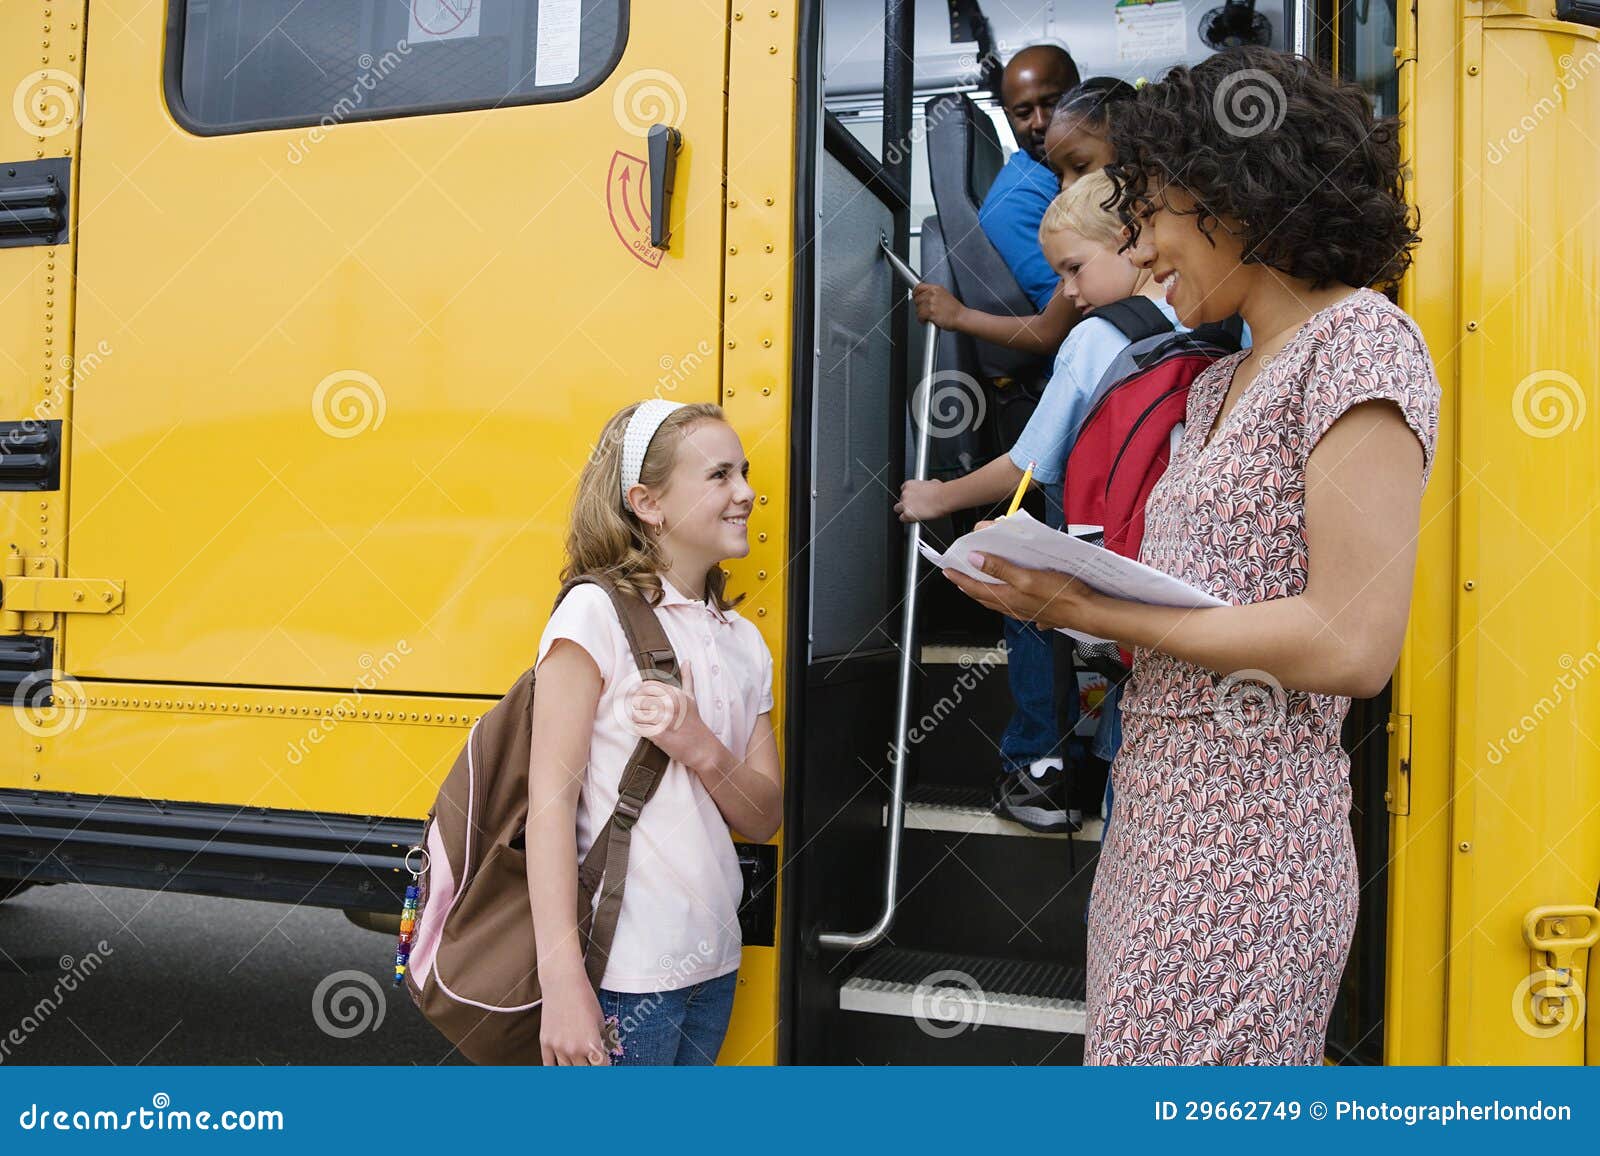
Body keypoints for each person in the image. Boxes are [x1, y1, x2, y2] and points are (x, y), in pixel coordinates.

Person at [940, 47, 1439, 1064]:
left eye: (1154, 210)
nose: (1143, 245)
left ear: (1234, 199)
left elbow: (1349, 642)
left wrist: (1086, 611)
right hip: (1154, 824)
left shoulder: (1361, 344)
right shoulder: (1212, 384)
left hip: (1246, 854)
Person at [897, 169, 1178, 831]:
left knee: (1015, 570)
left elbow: (1030, 461)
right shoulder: (1211, 316)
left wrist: (939, 496)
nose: (1069, 292)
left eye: (1076, 269)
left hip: (1110, 565)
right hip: (1180, 563)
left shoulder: (1096, 338)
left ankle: (1039, 763)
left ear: (1130, 241)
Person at [528, 399, 782, 1066]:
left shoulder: (745, 642)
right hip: (622, 974)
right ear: (648, 503)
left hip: (713, 966)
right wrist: (561, 984)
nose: (747, 493)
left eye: (744, 473)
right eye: (720, 476)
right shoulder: (593, 614)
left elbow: (764, 815)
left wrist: (698, 743)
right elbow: (549, 808)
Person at [911, 72, 1134, 357]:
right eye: (1058, 175)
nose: (1066, 187)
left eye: (1079, 167)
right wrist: (958, 316)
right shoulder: (1071, 224)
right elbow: (1049, 329)